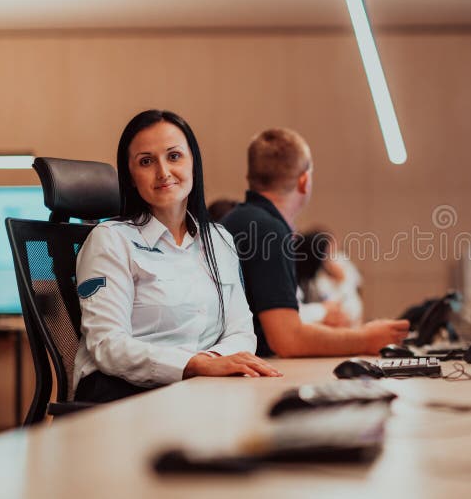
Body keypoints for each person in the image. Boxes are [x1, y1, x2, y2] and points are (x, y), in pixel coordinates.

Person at [73, 110, 281, 404]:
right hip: (121, 395)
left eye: (174, 156)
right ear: (130, 177)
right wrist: (193, 365)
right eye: (146, 161)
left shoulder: (219, 240)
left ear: (193, 163)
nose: (163, 172)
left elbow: (241, 330)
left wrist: (211, 362)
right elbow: (108, 346)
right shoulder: (110, 240)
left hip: (193, 391)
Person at [221, 127, 409, 357]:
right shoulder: (267, 230)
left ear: (250, 178)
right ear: (304, 181)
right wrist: (368, 338)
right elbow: (287, 340)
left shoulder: (240, 220)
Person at [295, 229, 363, 327]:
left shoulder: (341, 263)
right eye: (327, 254)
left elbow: (357, 294)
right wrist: (325, 309)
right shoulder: (312, 278)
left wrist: (342, 280)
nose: (331, 257)